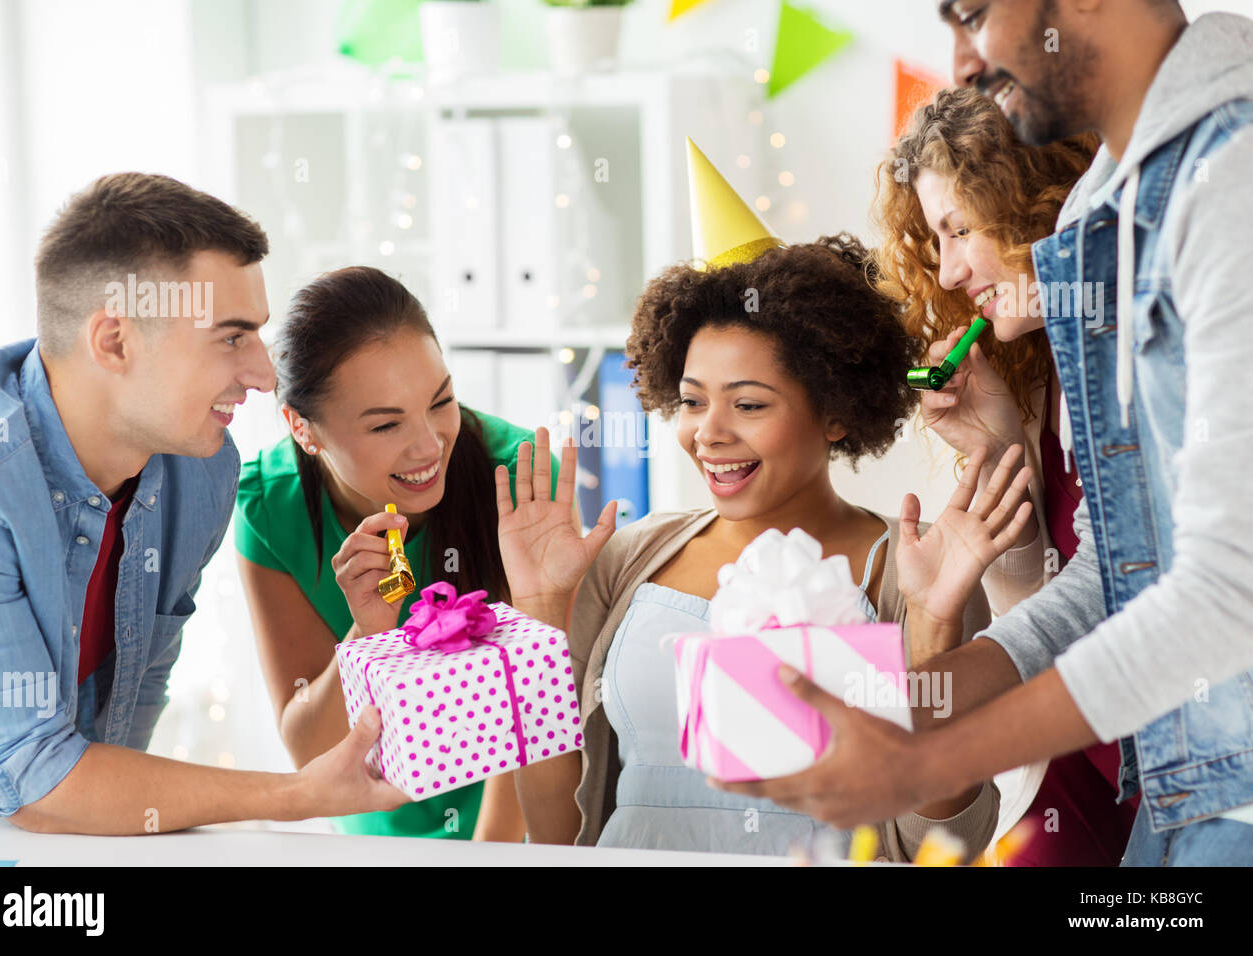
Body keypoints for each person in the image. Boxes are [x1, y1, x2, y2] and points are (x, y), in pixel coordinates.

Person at [719, 2, 1253, 865]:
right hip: (1184, 781)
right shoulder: (1107, 212)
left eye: (973, 15)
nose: (963, 63)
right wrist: (909, 696)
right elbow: (1113, 581)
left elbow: (1226, 593)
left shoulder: (1229, 180)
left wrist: (924, 754)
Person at [498, 197, 1035, 856]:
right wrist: (543, 608)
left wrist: (930, 627)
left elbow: (945, 841)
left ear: (835, 412)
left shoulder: (917, 567)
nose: (709, 434)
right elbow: (557, 835)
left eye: (748, 404)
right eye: (692, 401)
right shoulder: (628, 559)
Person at [0, 173, 406, 834]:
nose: (264, 372)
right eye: (231, 337)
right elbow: (36, 781)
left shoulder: (200, 474)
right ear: (114, 341)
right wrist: (300, 794)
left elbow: (120, 726)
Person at [872, 86, 1135, 865]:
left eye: (959, 230)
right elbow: (1048, 596)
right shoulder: (1045, 372)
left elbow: (1113, 585)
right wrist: (1000, 449)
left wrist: (935, 692)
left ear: (1036, 202)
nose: (949, 272)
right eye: (935, 240)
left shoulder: (1134, 349)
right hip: (1085, 762)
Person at [233, 266, 549, 841]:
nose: (429, 445)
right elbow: (311, 749)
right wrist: (366, 629)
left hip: (514, 828)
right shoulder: (268, 503)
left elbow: (535, 713)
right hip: (375, 826)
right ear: (303, 429)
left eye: (441, 401)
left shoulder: (521, 476)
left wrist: (490, 857)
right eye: (385, 425)